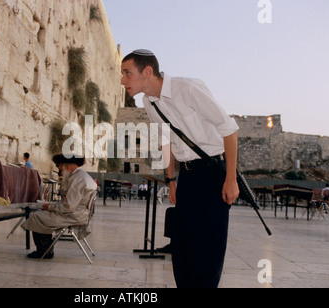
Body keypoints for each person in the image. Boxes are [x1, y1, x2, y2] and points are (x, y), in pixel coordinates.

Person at [121, 49, 240, 288]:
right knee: (183, 246)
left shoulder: (189, 88)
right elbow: (166, 140)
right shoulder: (149, 101)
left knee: (207, 247)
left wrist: (230, 178)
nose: (122, 80)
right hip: (186, 176)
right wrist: (171, 179)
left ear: (147, 72)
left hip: (212, 173)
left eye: (127, 73)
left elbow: (229, 129)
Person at [21, 153, 97, 259]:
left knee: (37, 216)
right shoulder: (81, 176)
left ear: (67, 165)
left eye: (59, 166)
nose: (59, 169)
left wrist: (49, 207)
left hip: (72, 216)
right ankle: (46, 249)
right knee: (42, 214)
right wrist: (50, 205)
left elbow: (68, 207)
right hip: (77, 214)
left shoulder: (77, 180)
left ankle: (44, 251)